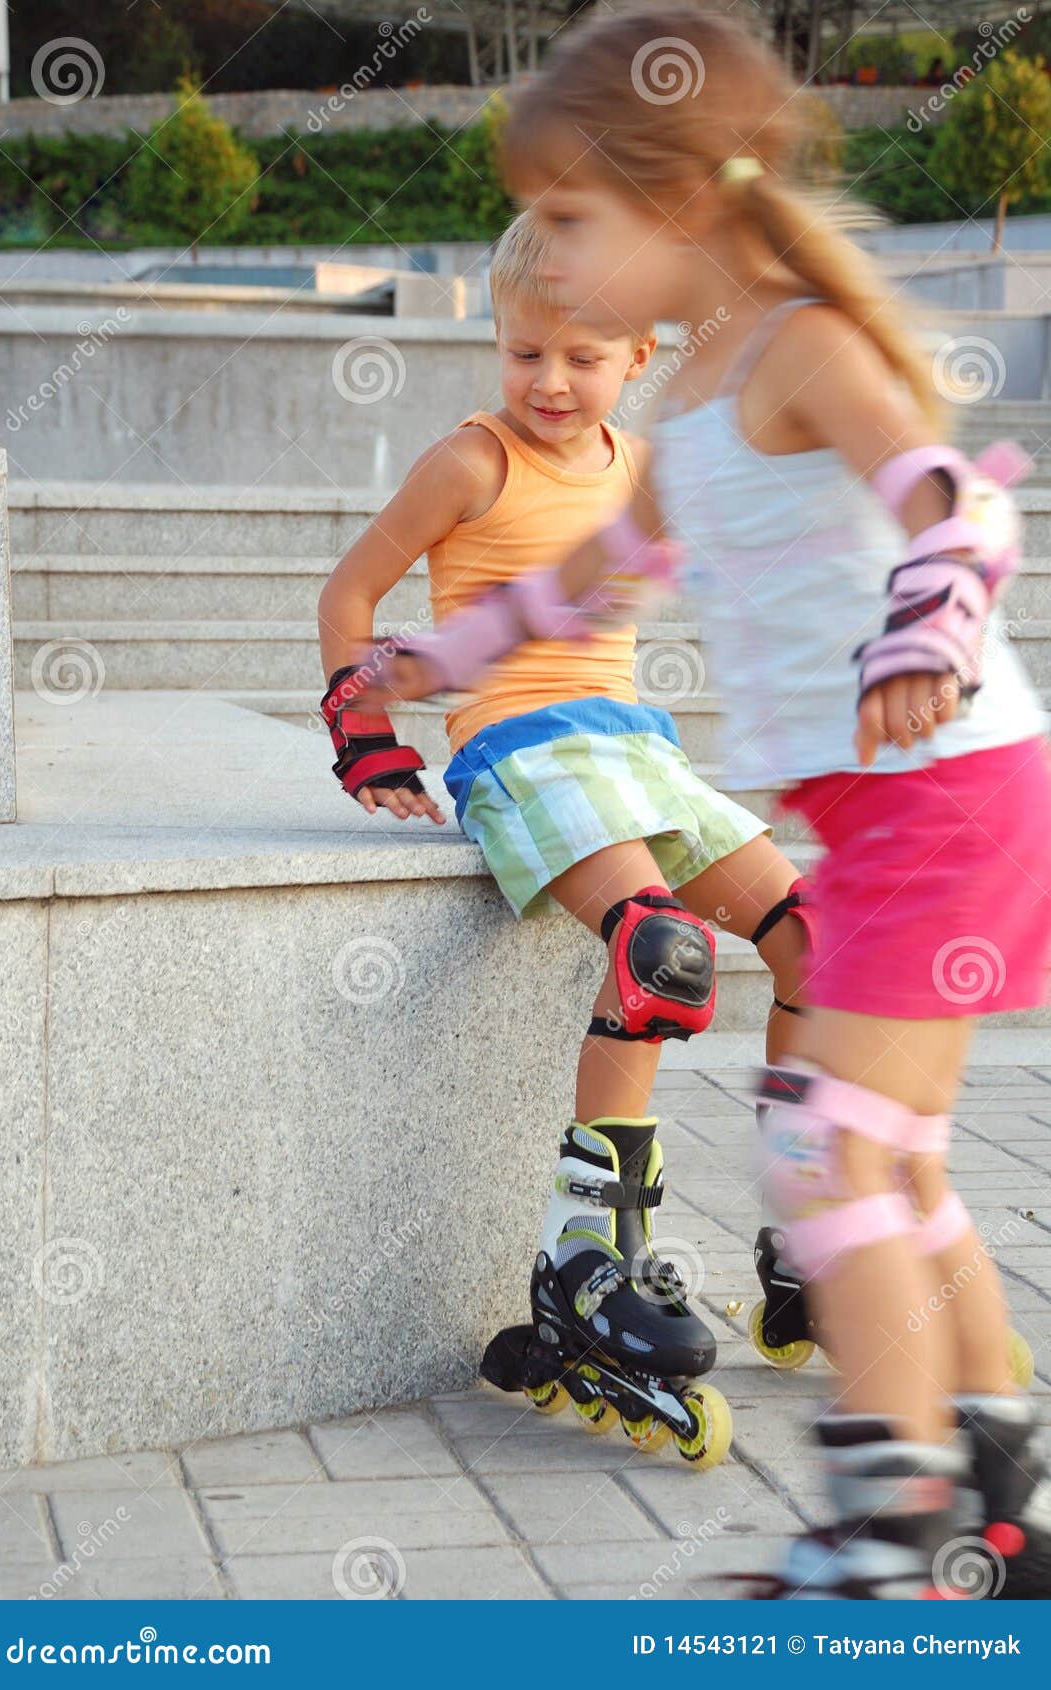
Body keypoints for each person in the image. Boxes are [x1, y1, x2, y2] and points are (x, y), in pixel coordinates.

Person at [350, 7, 1051, 1599]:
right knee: (899, 1165)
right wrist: (433, 654)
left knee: (832, 1154)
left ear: (677, 203)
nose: (557, 265)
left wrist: (931, 613)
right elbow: (579, 580)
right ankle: (997, 1496)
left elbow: (953, 494)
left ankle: (893, 1524)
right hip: (890, 825)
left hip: (957, 792)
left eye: (578, 222)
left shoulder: (806, 345)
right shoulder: (691, 415)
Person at [317, 208, 811, 1462]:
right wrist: (365, 731)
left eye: (581, 357)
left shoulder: (639, 472)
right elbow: (349, 590)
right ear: (495, 339)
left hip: (636, 748)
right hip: (521, 753)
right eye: (523, 351)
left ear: (636, 355)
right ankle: (589, 1267)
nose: (548, 381)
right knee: (664, 957)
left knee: (819, 941)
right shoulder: (469, 462)